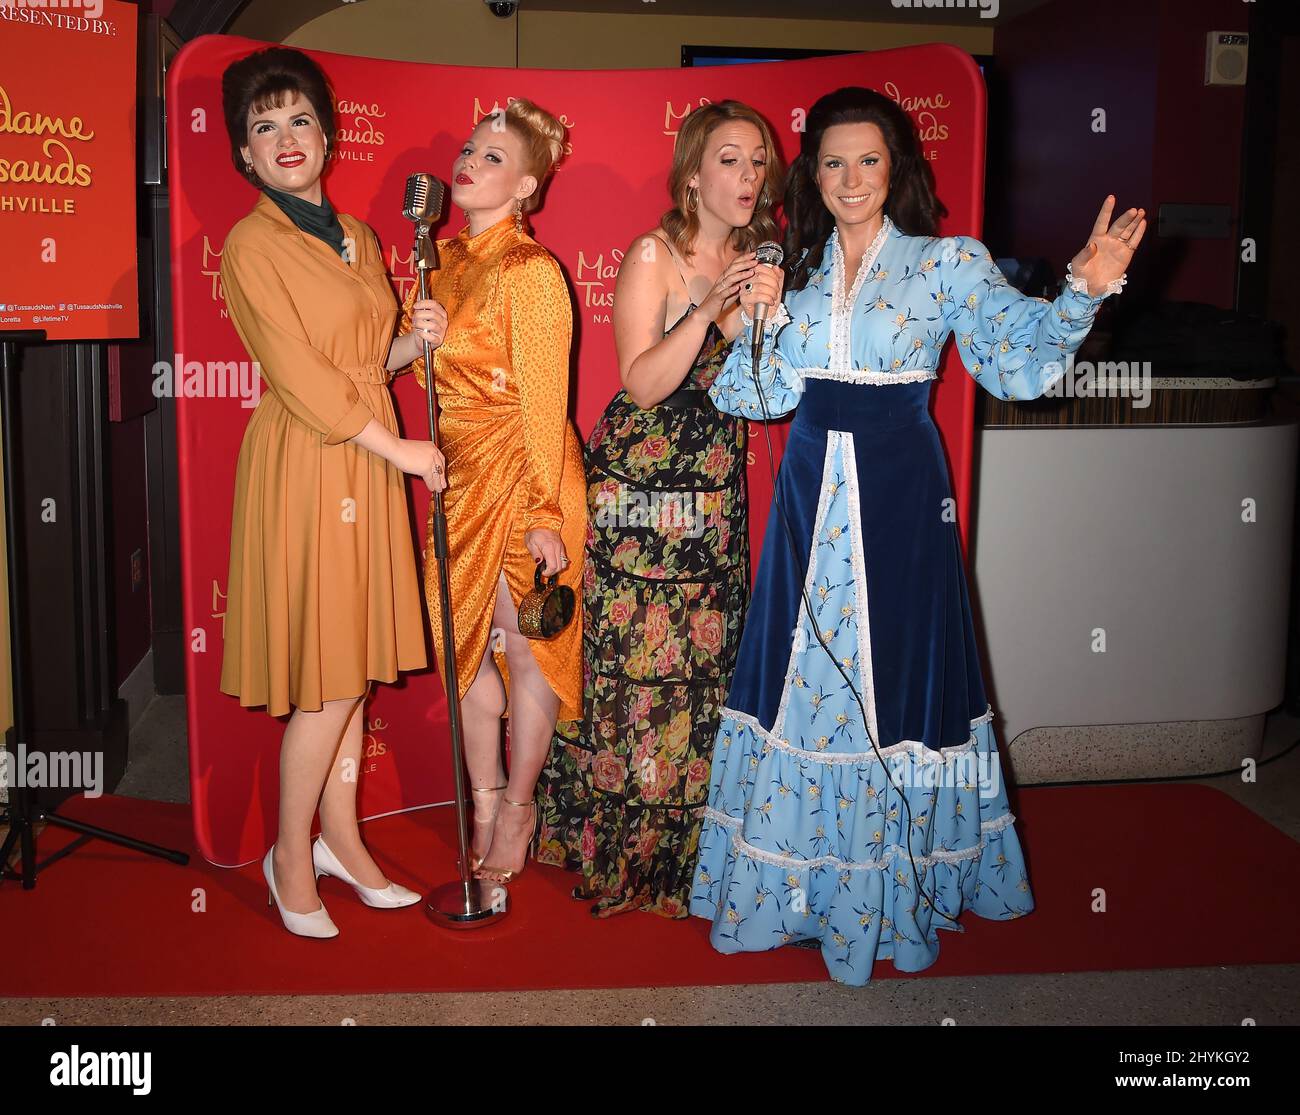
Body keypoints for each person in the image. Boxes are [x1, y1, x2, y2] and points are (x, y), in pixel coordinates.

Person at [688, 86, 1145, 984]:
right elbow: (760, 395)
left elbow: (1018, 361)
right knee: (800, 691)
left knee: (897, 688)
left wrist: (1083, 292)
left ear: (895, 169)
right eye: (832, 161)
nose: (850, 178)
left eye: (869, 159)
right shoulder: (800, 272)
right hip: (807, 513)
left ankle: (888, 894)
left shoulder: (948, 263)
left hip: (902, 508)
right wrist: (754, 315)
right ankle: (801, 893)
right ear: (810, 174)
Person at [218, 47, 448, 937]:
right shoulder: (249, 244)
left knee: (350, 671)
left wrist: (412, 344)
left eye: (299, 119)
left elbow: (361, 363)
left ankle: (341, 841)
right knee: (325, 680)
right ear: (243, 153)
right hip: (313, 460)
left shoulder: (358, 234)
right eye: (263, 126)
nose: (284, 138)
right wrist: (402, 450)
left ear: (327, 133)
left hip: (367, 452)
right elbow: (305, 381)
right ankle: (287, 851)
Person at [534, 103, 783, 918]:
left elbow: (764, 388)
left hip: (713, 485)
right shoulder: (654, 253)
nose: (746, 178)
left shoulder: (760, 257)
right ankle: (622, 854)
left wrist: (772, 314)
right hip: (642, 486)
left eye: (757, 163)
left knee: (700, 672)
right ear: (692, 174)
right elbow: (641, 381)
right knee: (635, 673)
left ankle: (689, 857)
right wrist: (713, 309)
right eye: (729, 161)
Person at [399, 99, 586, 887]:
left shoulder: (531, 271)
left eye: (492, 156)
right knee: (463, 653)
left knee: (525, 650)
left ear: (527, 185)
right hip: (457, 478)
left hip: (524, 475)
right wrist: (420, 333)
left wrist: (546, 512)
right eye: (469, 150)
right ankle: (479, 798)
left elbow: (546, 402)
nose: (469, 163)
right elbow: (415, 375)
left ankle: (516, 807)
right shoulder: (437, 259)